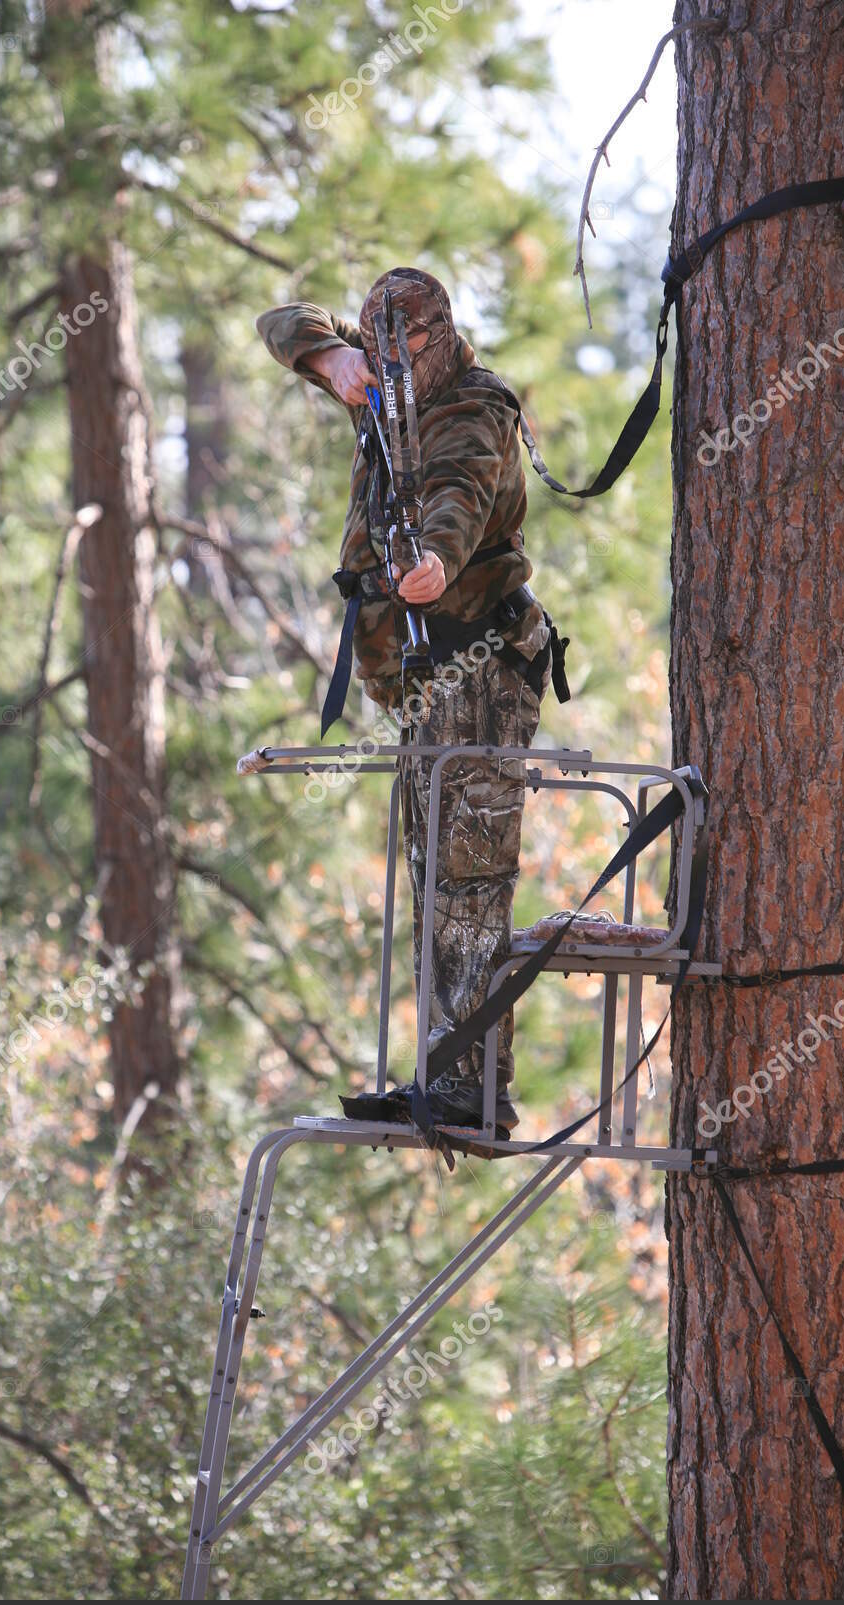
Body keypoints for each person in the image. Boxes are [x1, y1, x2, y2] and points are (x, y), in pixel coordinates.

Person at [256, 267, 567, 1132]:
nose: (390, 368)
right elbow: (277, 320)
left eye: (405, 351)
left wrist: (431, 560)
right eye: (377, 354)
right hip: (426, 681)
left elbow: (458, 496)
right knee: (435, 877)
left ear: (440, 336)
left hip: (481, 667)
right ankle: (446, 1076)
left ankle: (472, 1090)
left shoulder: (472, 405)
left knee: (468, 880)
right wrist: (327, 357)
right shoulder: (377, 383)